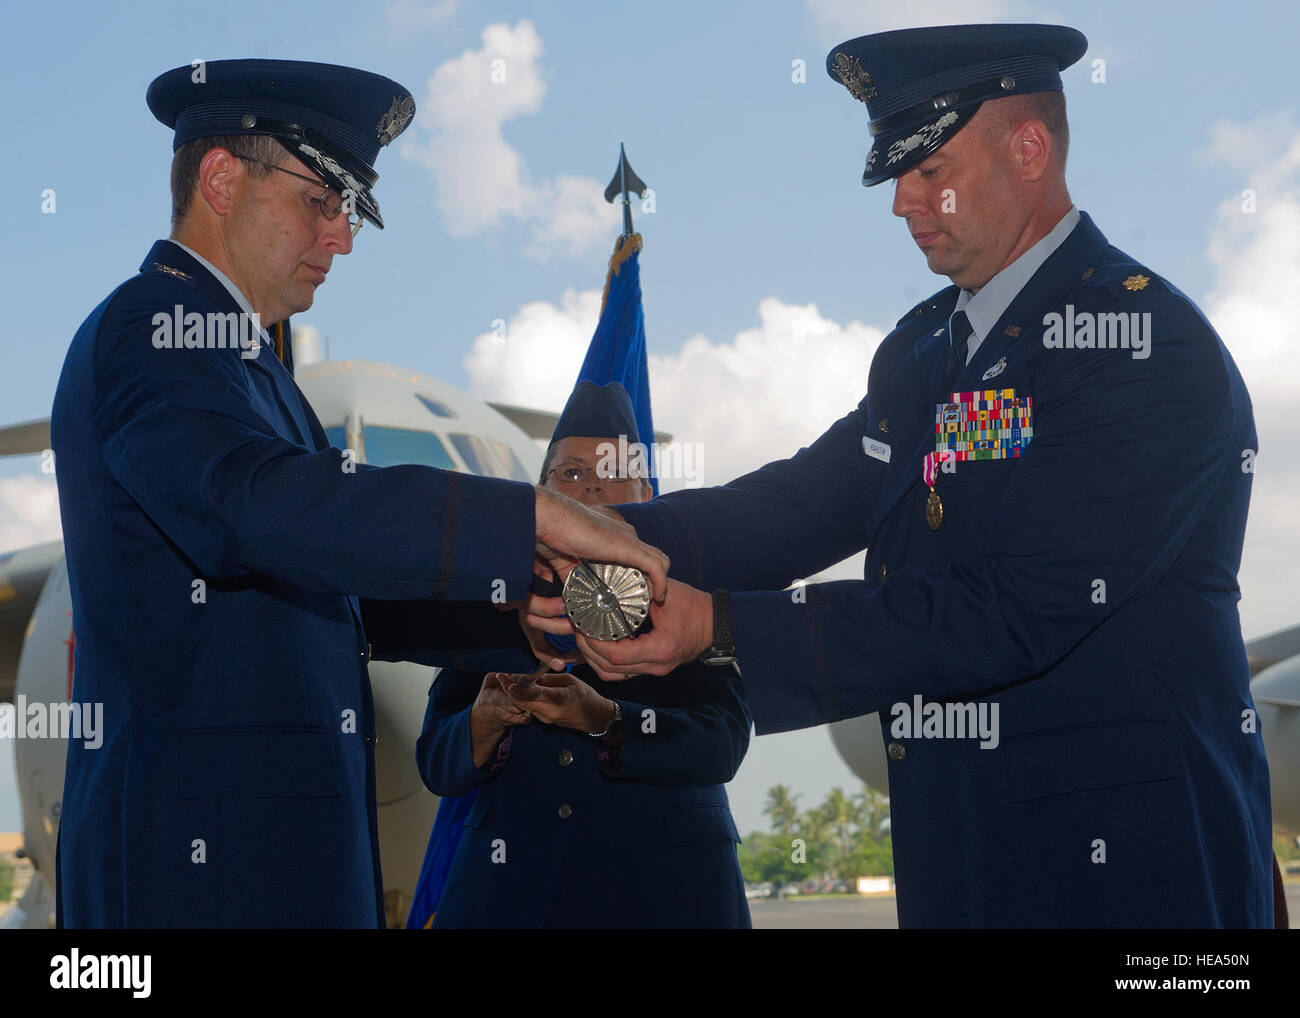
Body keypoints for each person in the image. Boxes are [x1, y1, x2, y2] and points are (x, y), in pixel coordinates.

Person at [552, 25, 1276, 928]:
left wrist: (717, 626)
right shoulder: (925, 354)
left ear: (1029, 148)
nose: (903, 201)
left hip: (1131, 867)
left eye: (930, 170)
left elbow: (1012, 608)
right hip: (962, 857)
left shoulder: (1140, 345)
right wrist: (584, 533)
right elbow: (797, 505)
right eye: (896, 175)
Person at [50, 60, 667, 929]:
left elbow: (323, 586)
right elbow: (249, 507)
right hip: (201, 874)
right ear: (221, 179)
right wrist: (519, 514)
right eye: (320, 201)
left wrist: (514, 606)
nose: (341, 238)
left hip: (272, 867)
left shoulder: (252, 369)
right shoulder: (155, 325)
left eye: (350, 212)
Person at [417, 382, 752, 928]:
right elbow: (436, 762)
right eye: (570, 473)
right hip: (509, 895)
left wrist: (609, 721)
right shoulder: (492, 599)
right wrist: (483, 721)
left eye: (615, 471)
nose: (593, 486)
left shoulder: (690, 600)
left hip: (667, 894)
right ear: (542, 495)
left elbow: (723, 745)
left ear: (647, 492)